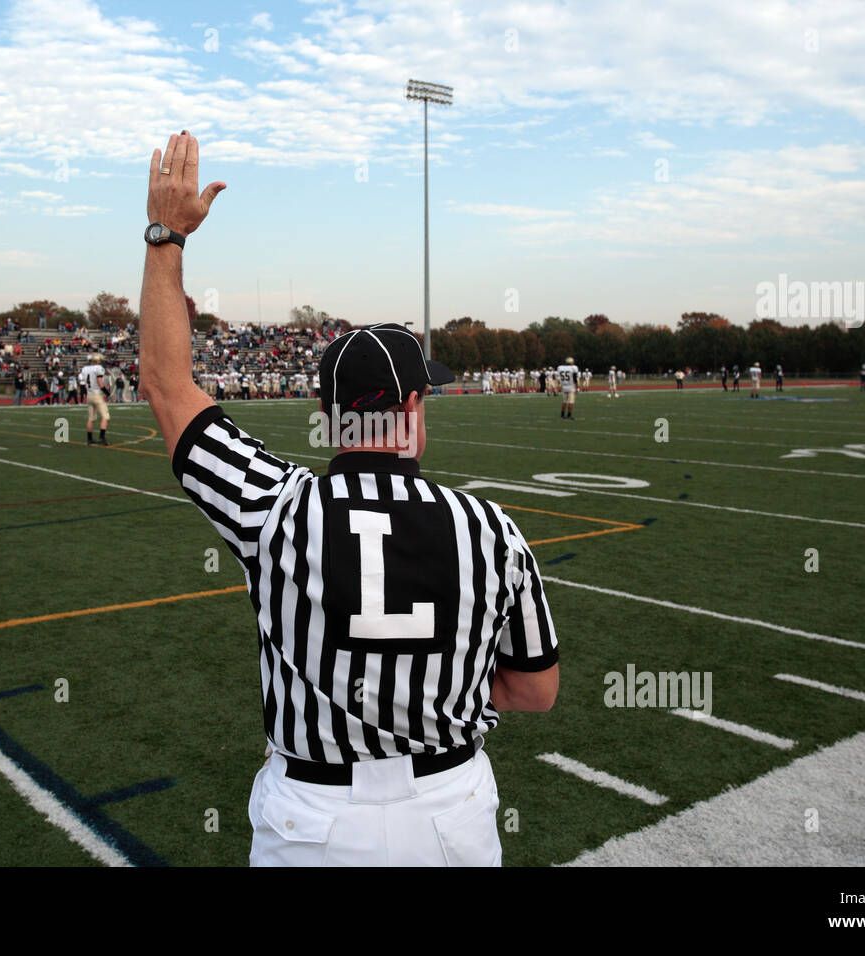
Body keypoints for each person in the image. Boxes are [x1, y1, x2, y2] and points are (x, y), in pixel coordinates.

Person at [139, 131, 558, 867]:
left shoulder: (274, 509)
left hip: (315, 821)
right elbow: (535, 689)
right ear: (417, 406)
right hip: (449, 812)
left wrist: (165, 238)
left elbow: (170, 390)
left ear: (330, 419)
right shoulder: (491, 530)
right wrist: (440, 695)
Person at [79, 351, 110, 445]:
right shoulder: (98, 368)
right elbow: (100, 383)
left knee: (91, 418)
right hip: (97, 395)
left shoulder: (85, 369)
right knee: (105, 417)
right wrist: (107, 393)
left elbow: (84, 383)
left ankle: (89, 439)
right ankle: (101, 438)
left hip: (89, 395)